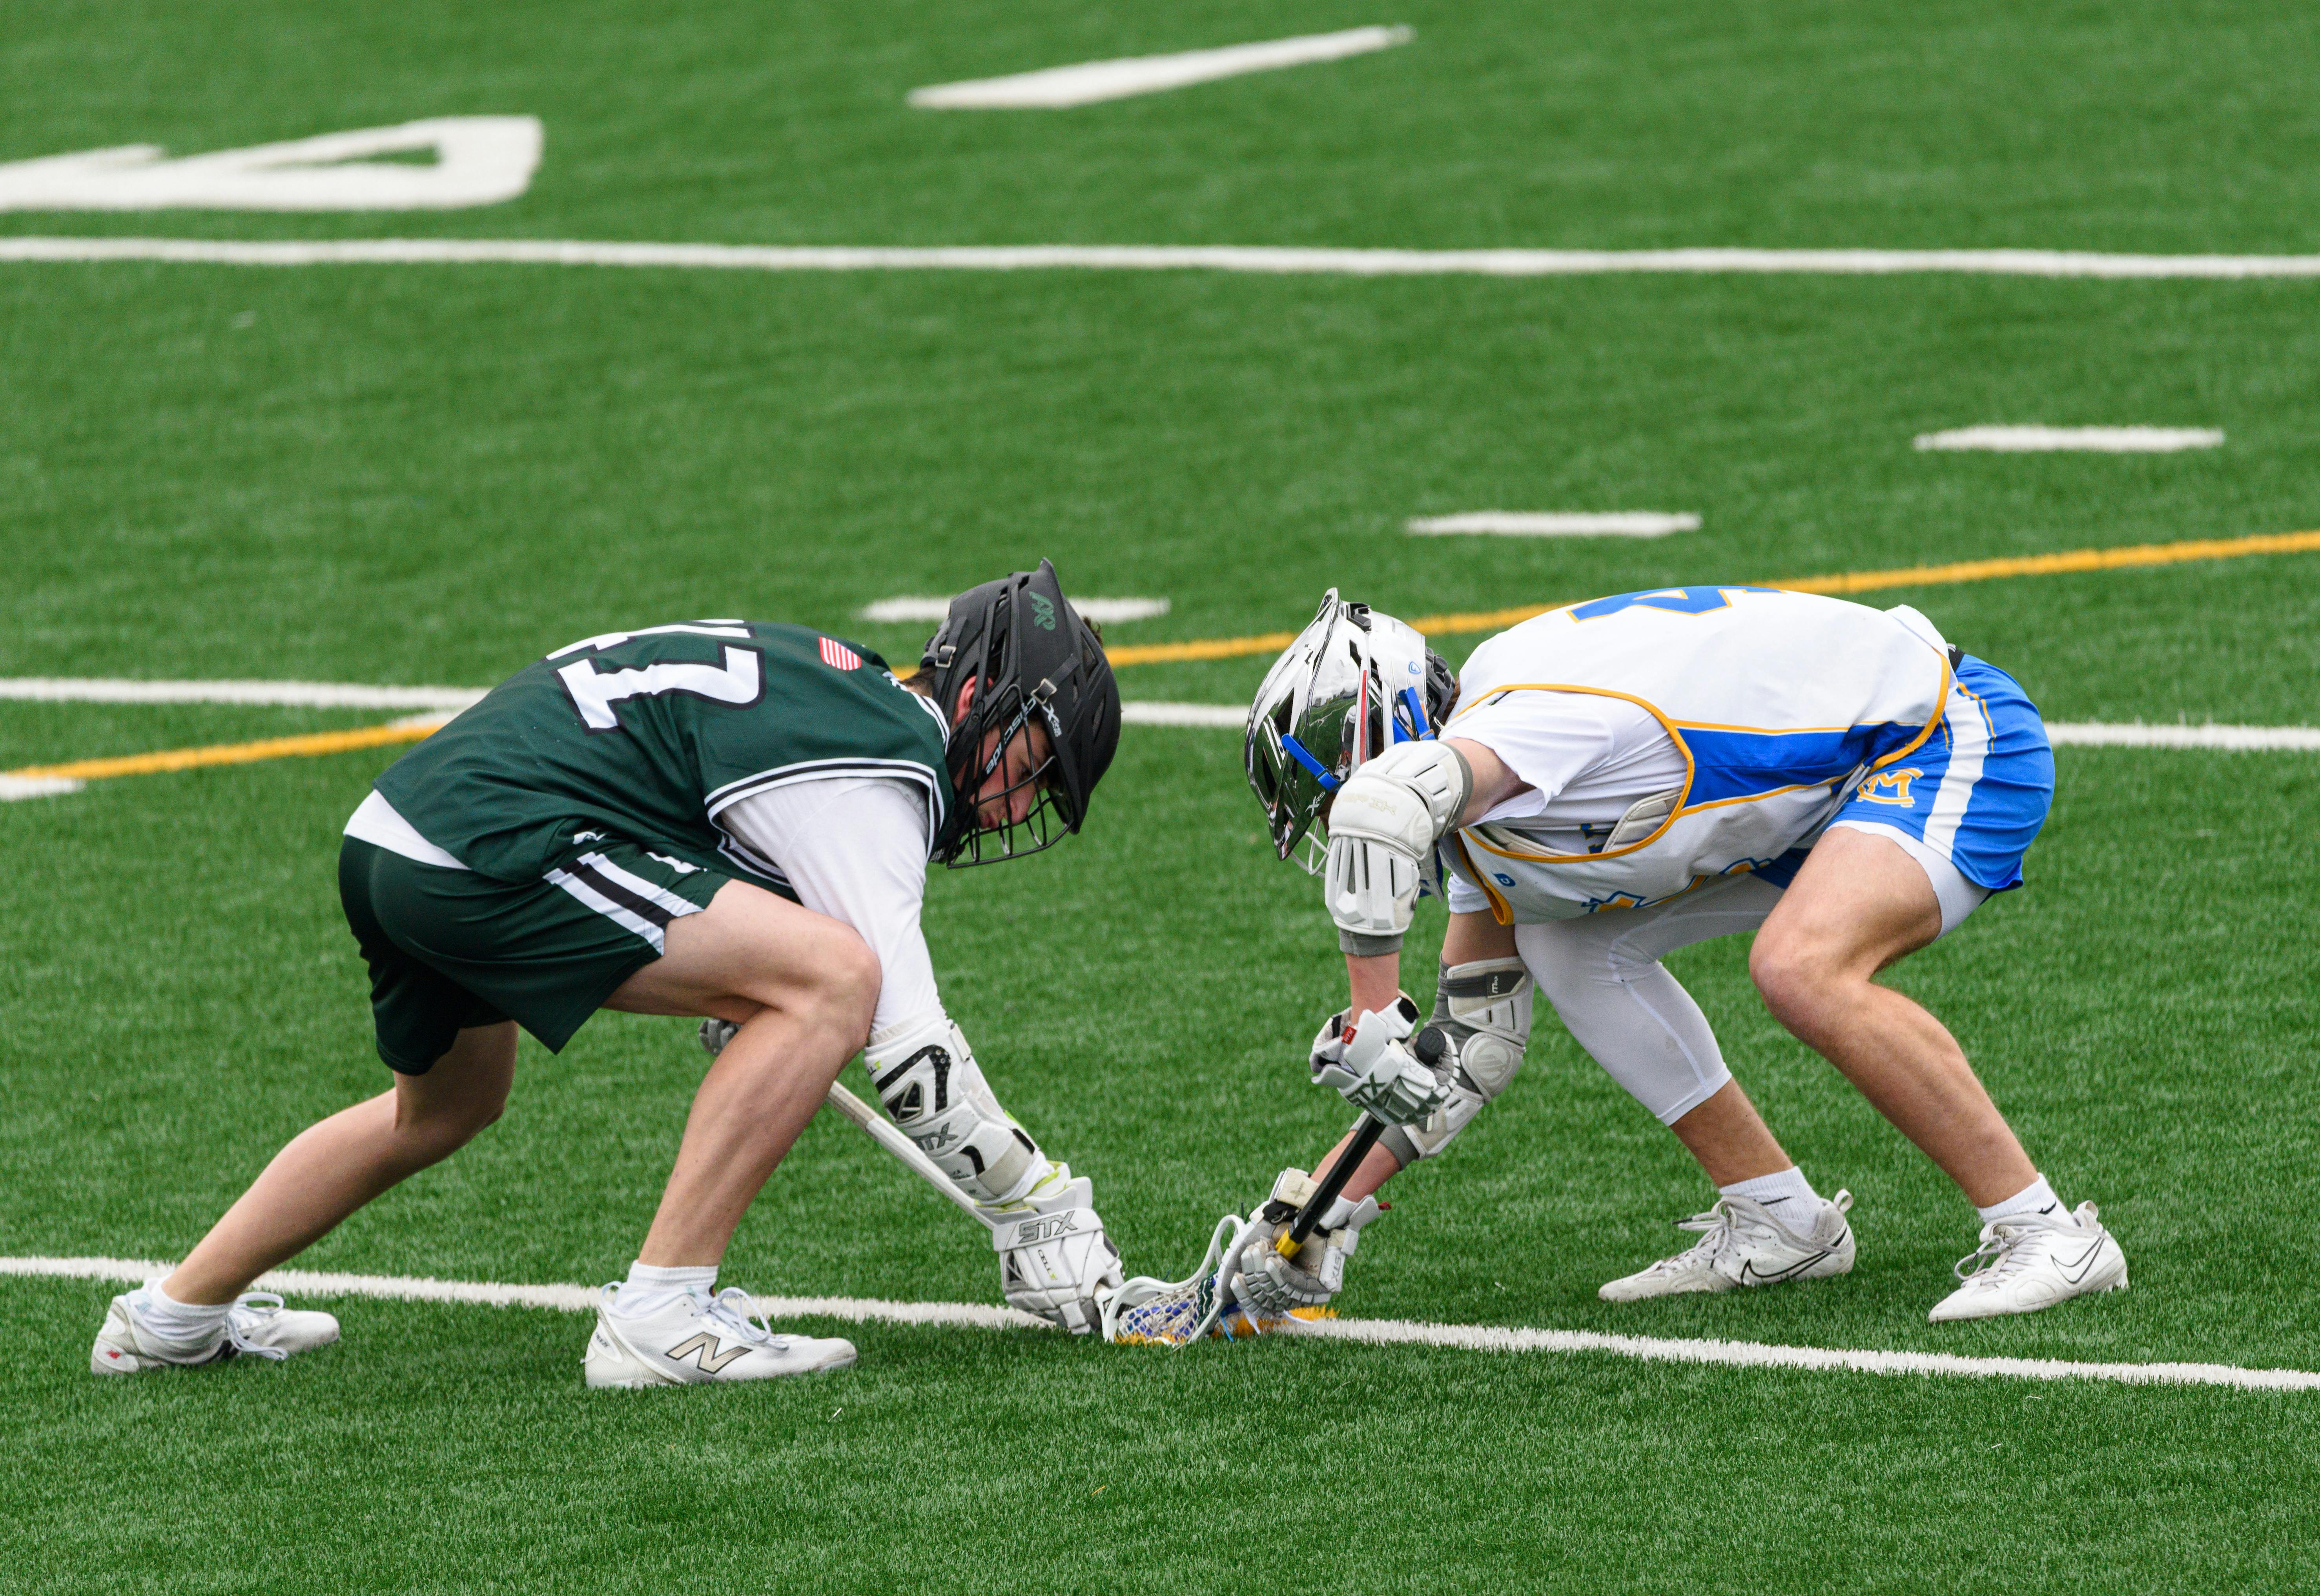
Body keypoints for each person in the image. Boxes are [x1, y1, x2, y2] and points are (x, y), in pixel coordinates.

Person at [92, 561, 1127, 1385]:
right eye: (1032, 762)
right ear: (984, 691)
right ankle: (661, 1314)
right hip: (483, 845)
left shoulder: (844, 687)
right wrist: (1042, 1206)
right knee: (834, 984)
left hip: (398, 834)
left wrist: (758, 981)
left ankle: (168, 1316)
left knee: (443, 1109)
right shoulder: (883, 755)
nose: (1011, 804)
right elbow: (909, 1047)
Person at [1227, 585, 2127, 1326]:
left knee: (1799, 969)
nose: (1334, 822)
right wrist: (1315, 1212)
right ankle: (1782, 1225)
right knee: (1563, 944)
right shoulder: (1481, 822)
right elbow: (1472, 1046)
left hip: (1938, 734)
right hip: (1807, 792)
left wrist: (1371, 1014)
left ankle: (2047, 1233)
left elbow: (1386, 805)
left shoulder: (1526, 724)